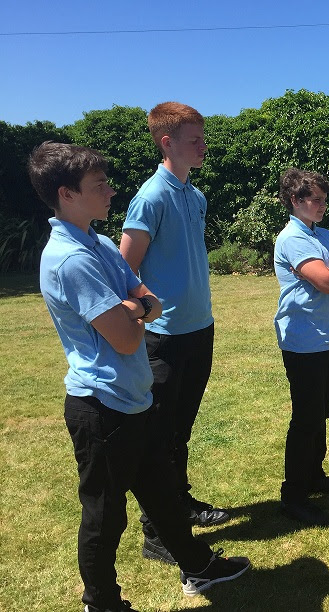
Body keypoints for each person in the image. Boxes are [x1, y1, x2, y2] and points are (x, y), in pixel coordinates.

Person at [30, 142, 250, 612]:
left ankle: (197, 566)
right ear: (67, 194)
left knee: (163, 491)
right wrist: (136, 308)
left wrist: (133, 308)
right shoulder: (72, 259)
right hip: (102, 406)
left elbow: (152, 301)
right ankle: (102, 602)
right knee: (105, 516)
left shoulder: (100, 243)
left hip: (134, 396)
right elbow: (129, 339)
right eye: (99, 186)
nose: (111, 192)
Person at [120, 102, 228, 564]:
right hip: (162, 336)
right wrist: (144, 312)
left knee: (179, 430)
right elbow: (125, 269)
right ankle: (157, 534)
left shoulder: (194, 195)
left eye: (202, 138)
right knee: (159, 435)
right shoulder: (151, 197)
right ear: (167, 143)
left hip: (198, 329)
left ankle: (177, 506)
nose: (203, 146)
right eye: (194, 139)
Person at [273, 168, 329, 526]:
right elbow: (328, 281)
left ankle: (314, 474)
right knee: (306, 418)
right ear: (295, 201)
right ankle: (294, 493)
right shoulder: (293, 238)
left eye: (324, 198)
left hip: (328, 337)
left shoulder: (323, 235)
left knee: (322, 409)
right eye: (315, 199)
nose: (323, 205)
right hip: (304, 339)